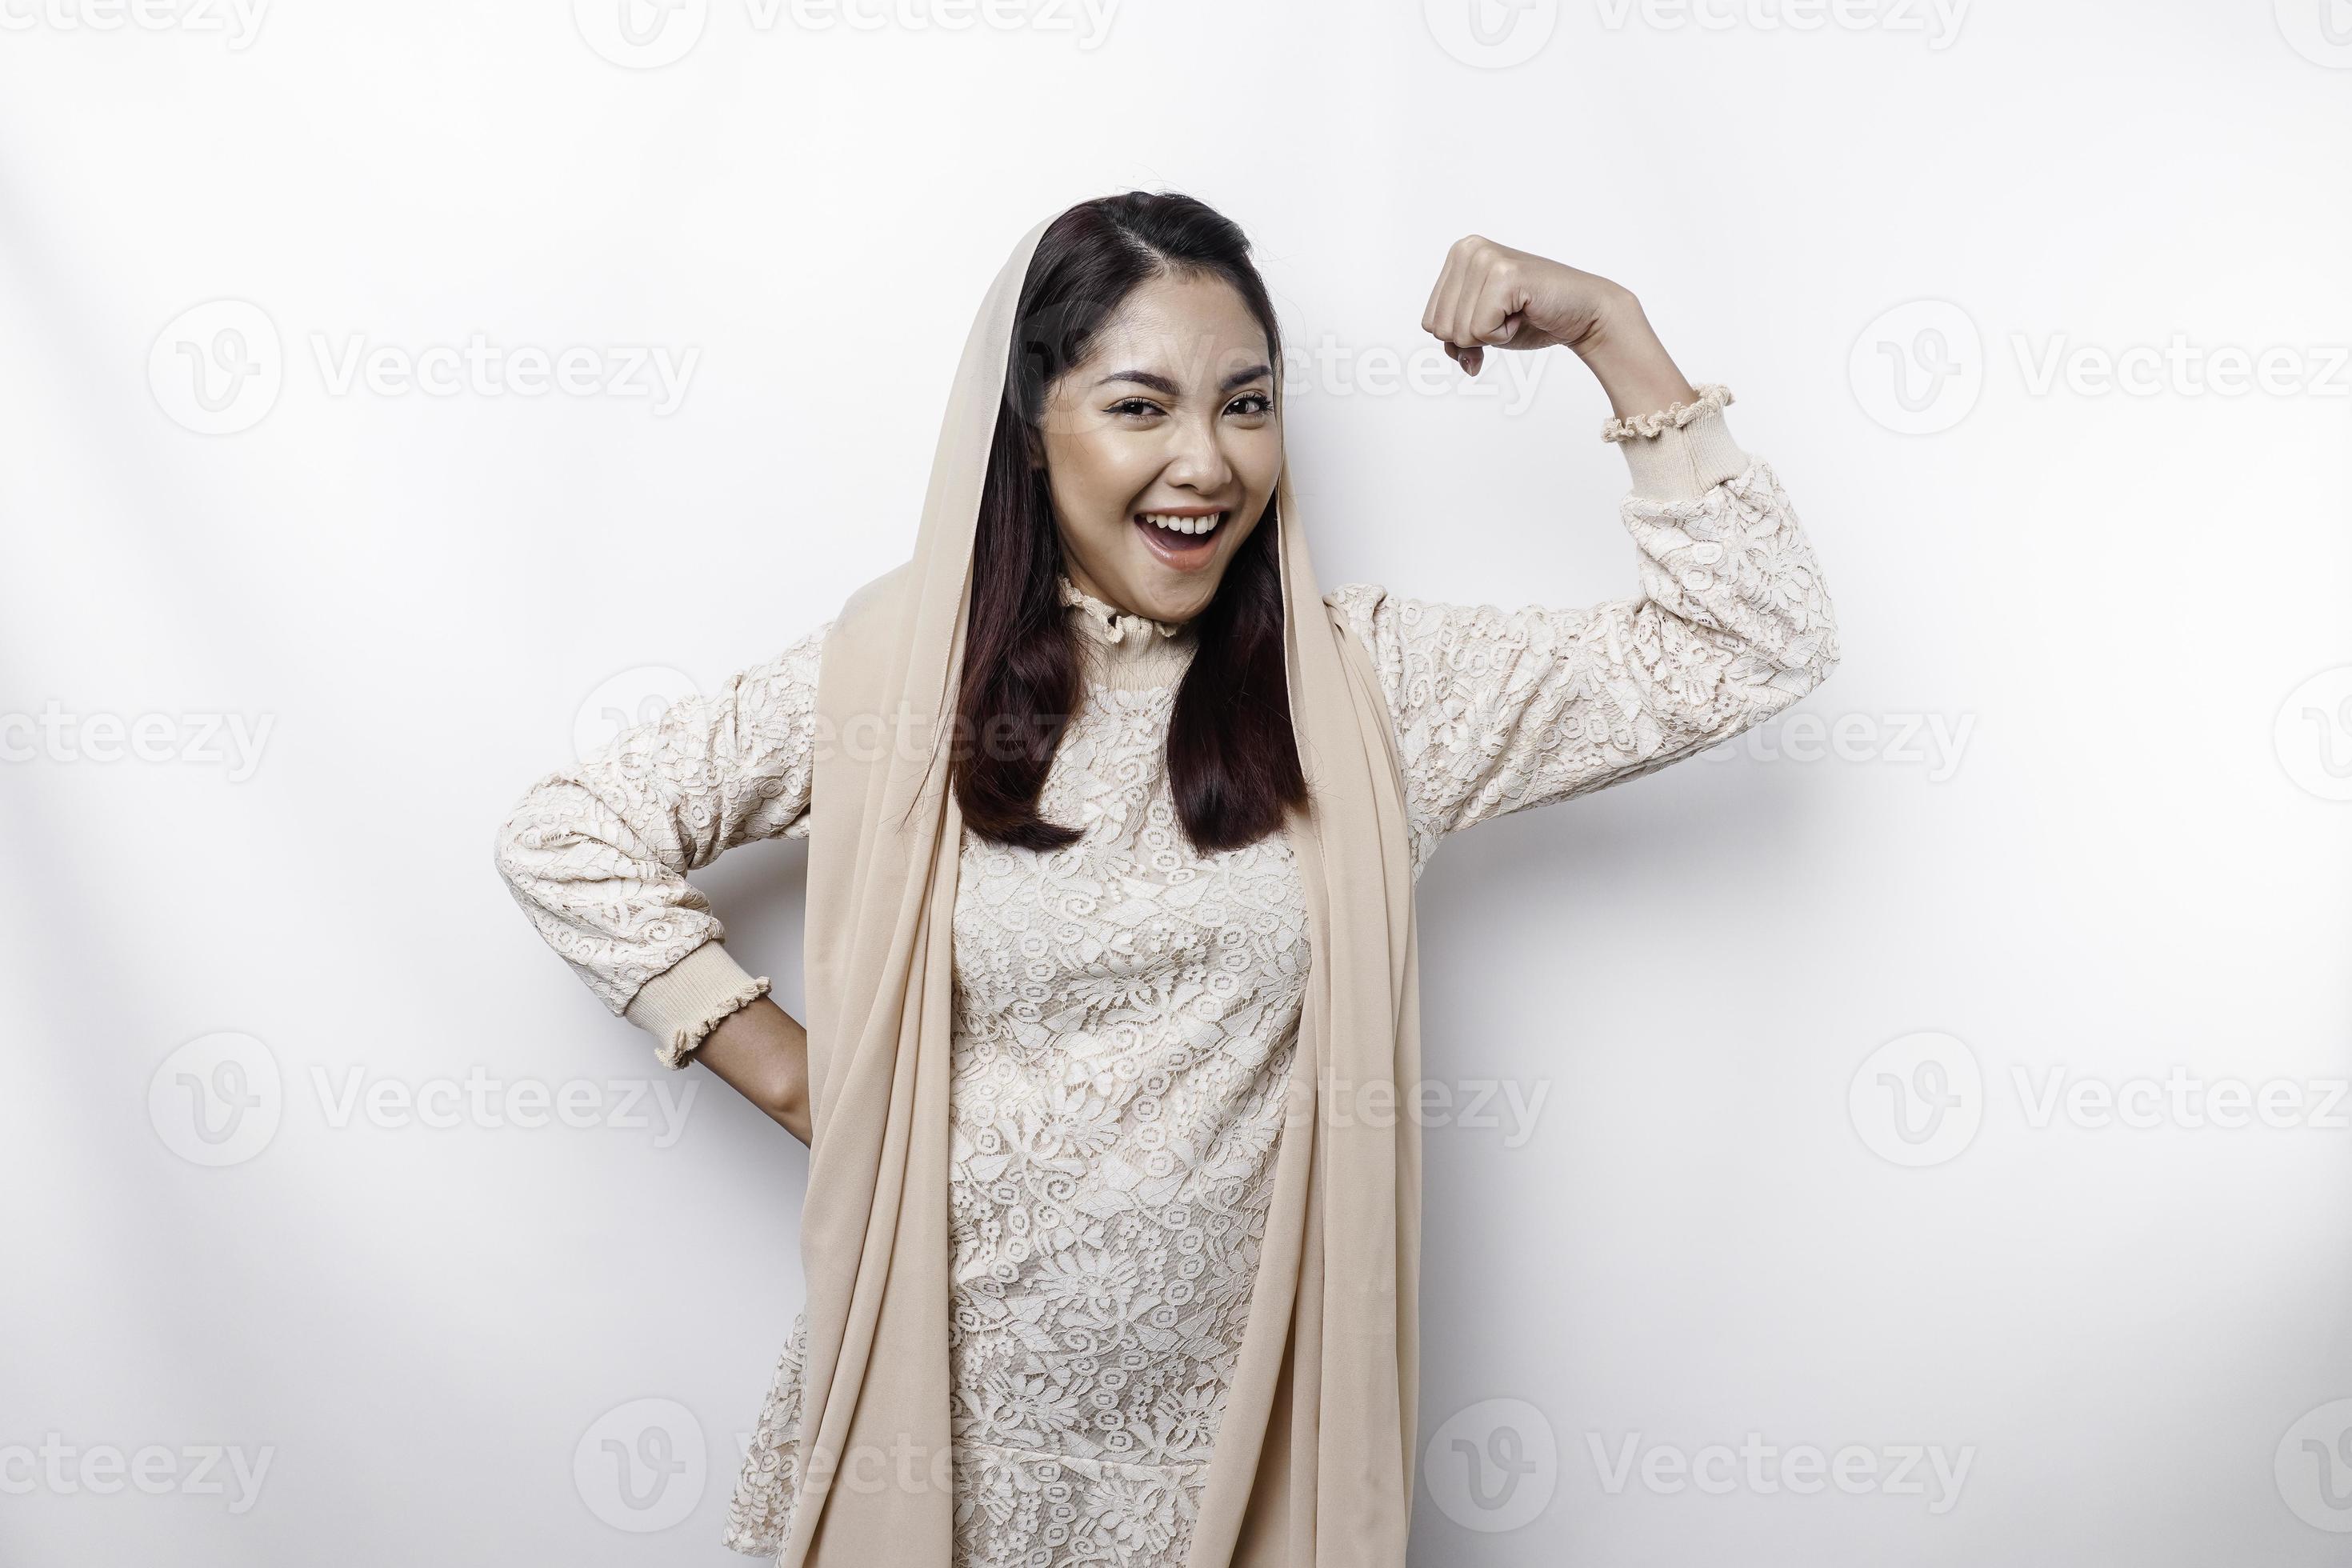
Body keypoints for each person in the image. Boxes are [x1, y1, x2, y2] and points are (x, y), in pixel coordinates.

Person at [494, 190, 1838, 1567]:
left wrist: (1612, 331)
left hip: (1237, 1469)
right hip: (938, 1440)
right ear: (1031, 428)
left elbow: (1748, 645)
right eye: (1141, 407)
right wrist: (800, 1081)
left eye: (1246, 405)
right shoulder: (898, 685)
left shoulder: (1369, 693)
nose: (1207, 463)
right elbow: (567, 835)